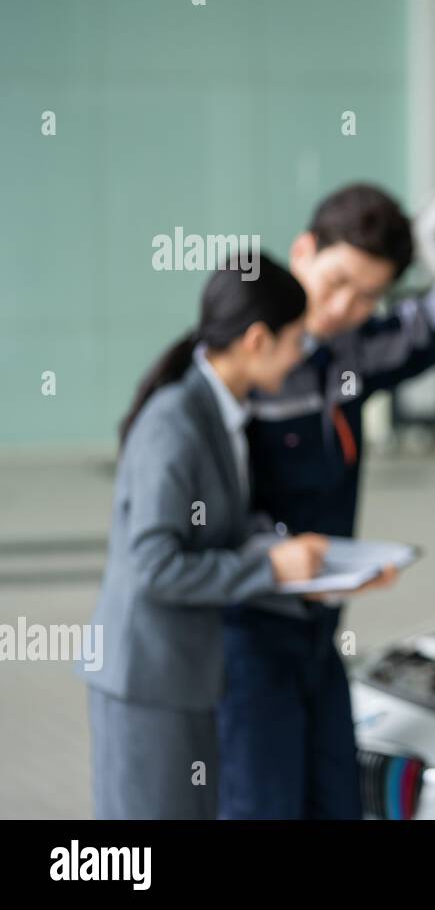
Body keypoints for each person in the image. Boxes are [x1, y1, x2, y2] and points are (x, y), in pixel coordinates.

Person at [218, 165, 435, 819]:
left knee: (335, 796)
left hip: (318, 631)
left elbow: (433, 325)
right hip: (243, 638)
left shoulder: (346, 356)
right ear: (302, 252)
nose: (345, 309)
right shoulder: (242, 364)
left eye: (368, 297)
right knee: (259, 803)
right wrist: (266, 556)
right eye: (338, 283)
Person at [82, 257, 330, 819]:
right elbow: (154, 565)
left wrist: (292, 557)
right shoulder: (177, 421)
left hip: (182, 675)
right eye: (296, 341)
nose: (300, 357)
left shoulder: (220, 412)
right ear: (258, 340)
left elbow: (216, 529)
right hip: (145, 680)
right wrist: (272, 570)